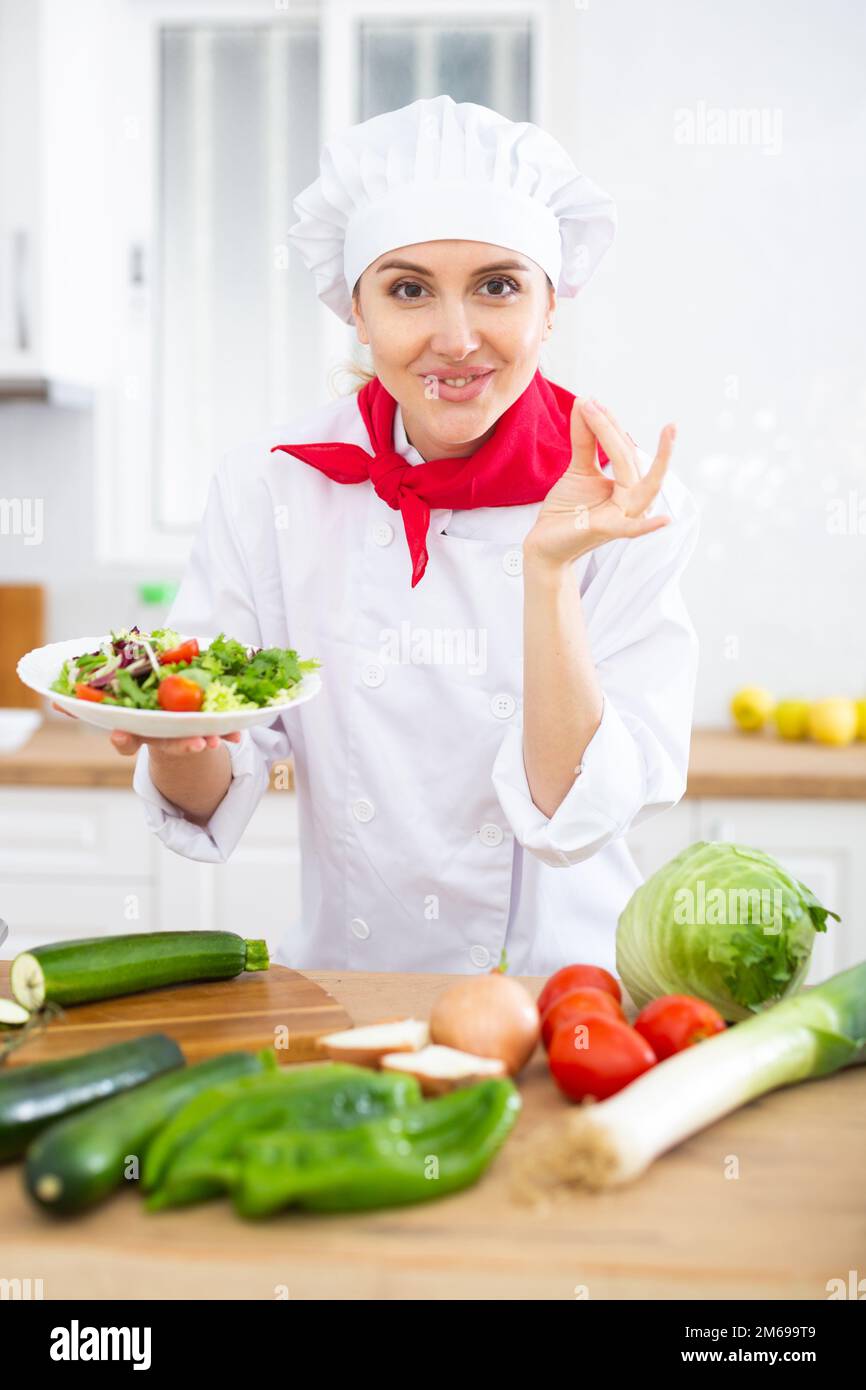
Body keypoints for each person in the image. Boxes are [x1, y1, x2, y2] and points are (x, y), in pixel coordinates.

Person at [118, 94, 700, 975]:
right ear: (357, 309)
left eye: (499, 286)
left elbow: (573, 818)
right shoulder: (270, 489)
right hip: (351, 993)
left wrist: (545, 575)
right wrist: (175, 740)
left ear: (552, 305)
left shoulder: (633, 505)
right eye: (409, 290)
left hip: (566, 1004)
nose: (456, 339)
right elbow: (215, 786)